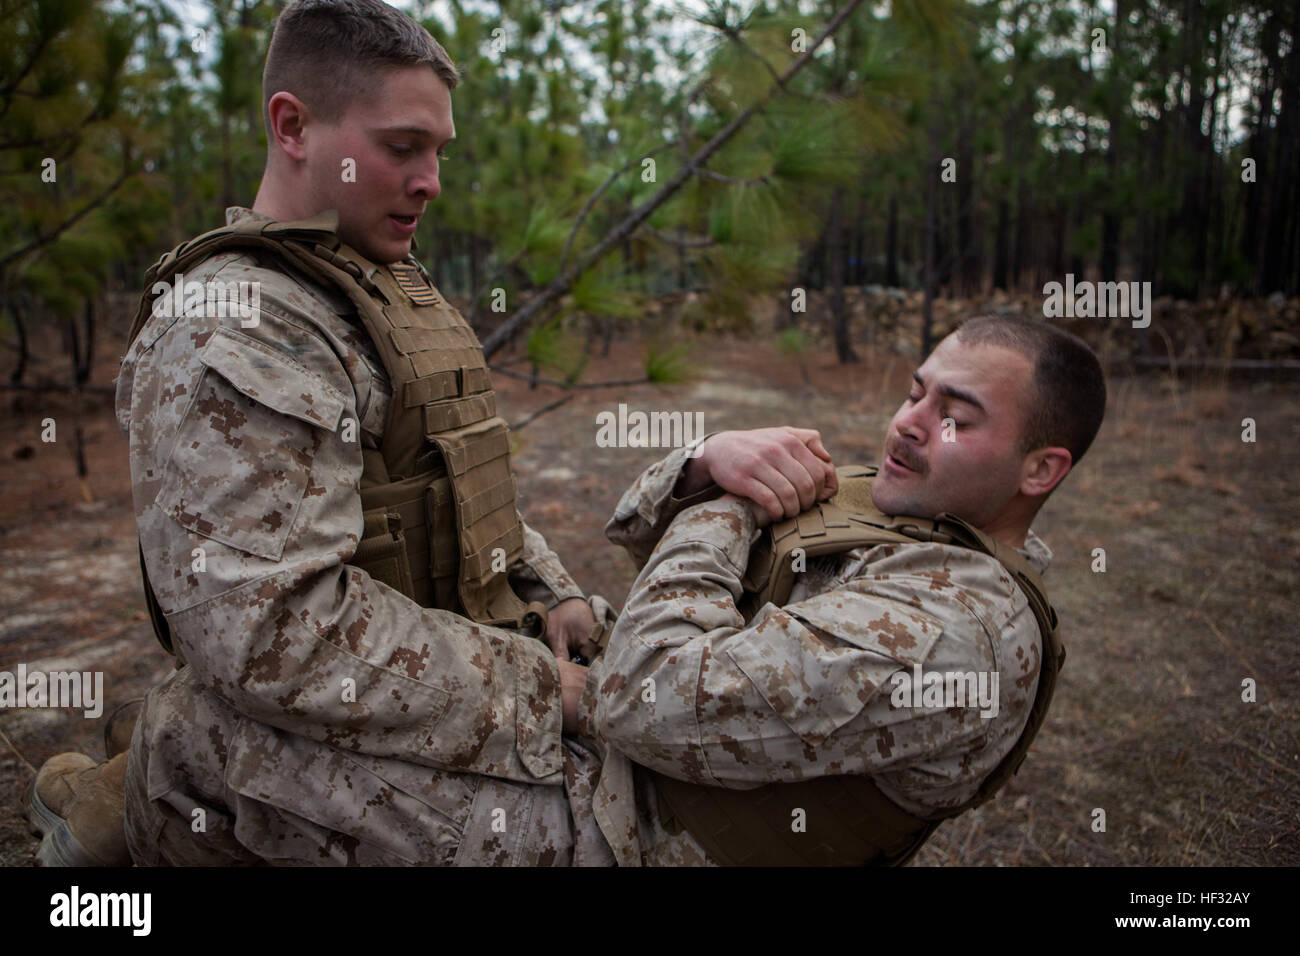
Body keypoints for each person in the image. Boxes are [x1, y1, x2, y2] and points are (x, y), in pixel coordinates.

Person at [580, 315, 1106, 865]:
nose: (908, 423)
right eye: (913, 394)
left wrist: (732, 502)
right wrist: (705, 462)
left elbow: (637, 696)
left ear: (1041, 469)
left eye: (953, 418)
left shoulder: (954, 636)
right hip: (619, 780)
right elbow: (640, 539)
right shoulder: (903, 513)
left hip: (627, 833)